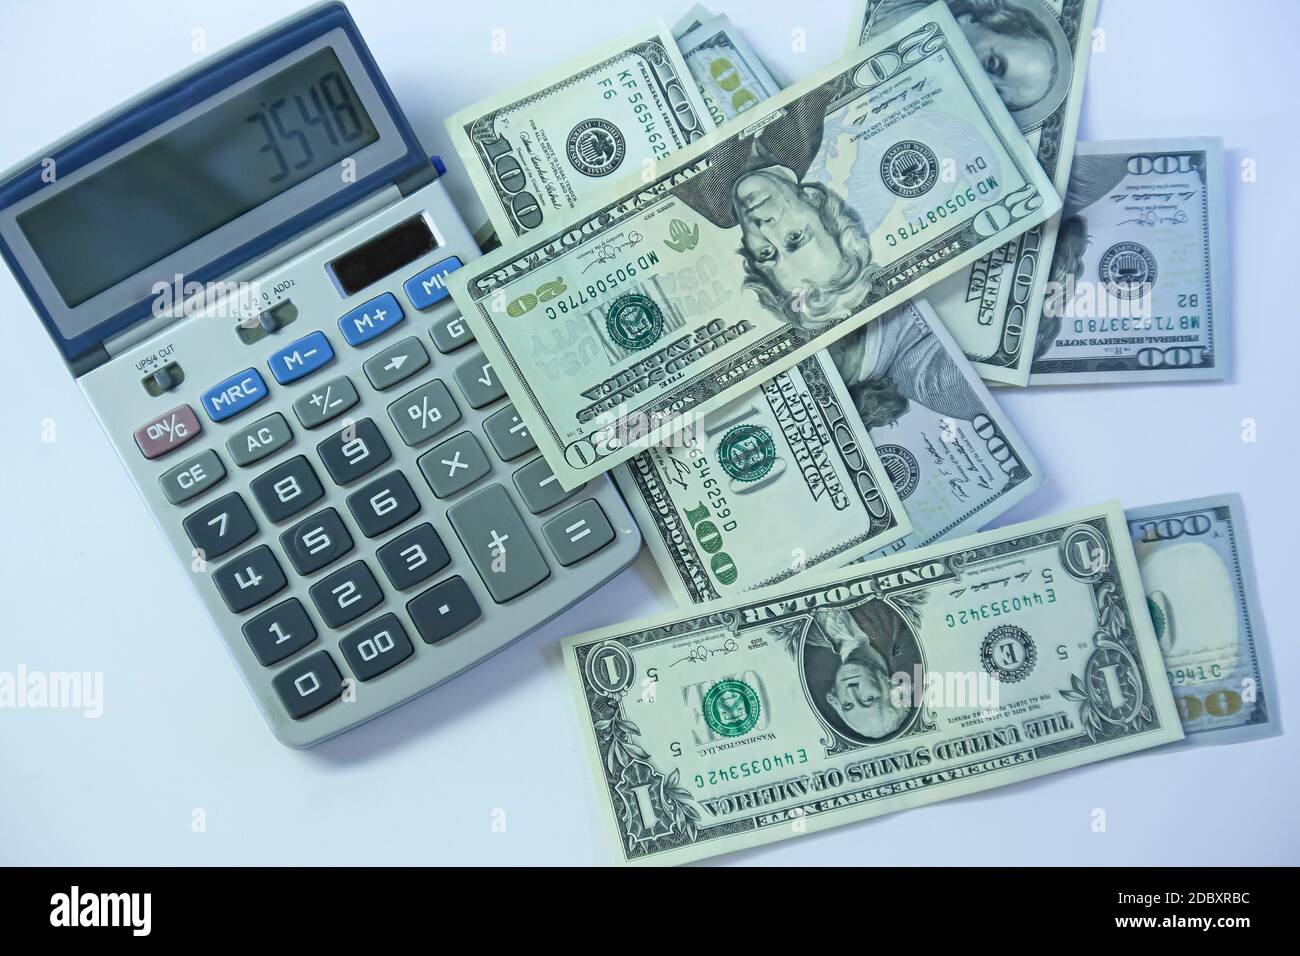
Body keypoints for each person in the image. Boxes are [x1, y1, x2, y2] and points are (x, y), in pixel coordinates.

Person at [672, 86, 877, 331]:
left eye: (767, 254)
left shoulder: (706, 197)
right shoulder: (806, 121)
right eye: (795, 237)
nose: (765, 229)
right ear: (814, 199)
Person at [864, 0, 1069, 126]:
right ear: (970, 19)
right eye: (992, 64)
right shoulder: (893, 18)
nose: (982, 87)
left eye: (997, 95)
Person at [816, 606, 914, 741]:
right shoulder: (895, 619)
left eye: (847, 705)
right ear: (889, 687)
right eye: (868, 699)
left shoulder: (813, 637)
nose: (851, 691)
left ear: (836, 697)